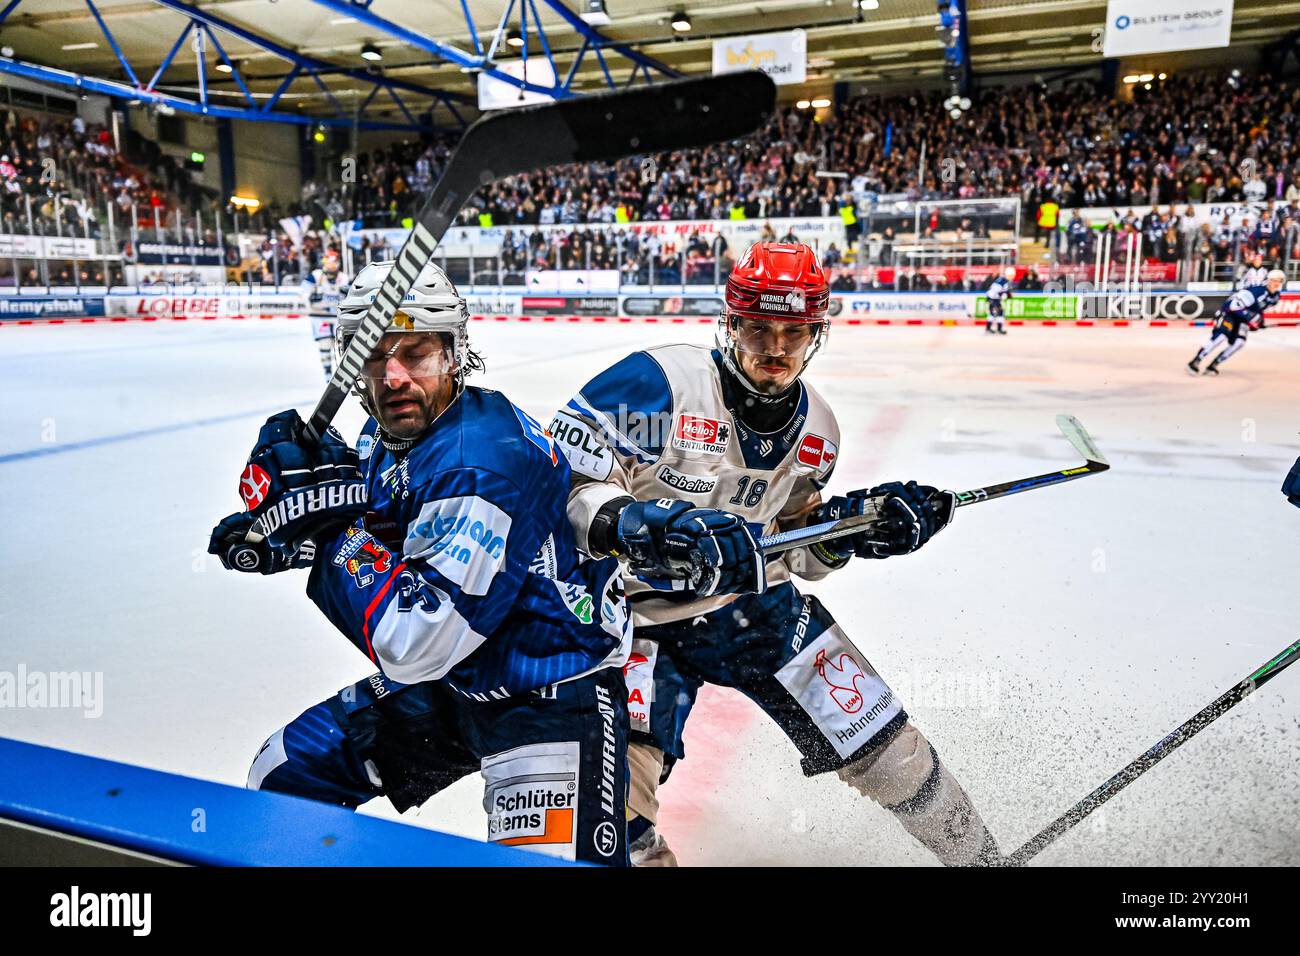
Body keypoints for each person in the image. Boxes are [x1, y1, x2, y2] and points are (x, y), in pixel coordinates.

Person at [548, 242, 1001, 867]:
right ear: (730, 323)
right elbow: (560, 485)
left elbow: (794, 542)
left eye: (794, 331)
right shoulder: (658, 385)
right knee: (612, 801)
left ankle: (983, 860)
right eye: (759, 328)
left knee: (890, 748)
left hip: (750, 607)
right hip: (627, 621)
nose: (776, 348)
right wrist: (640, 522)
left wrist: (852, 528)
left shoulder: (818, 429)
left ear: (816, 333)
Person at [208, 260, 633, 864]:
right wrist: (288, 527)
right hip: (457, 682)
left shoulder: (479, 464)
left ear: (455, 354)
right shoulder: (390, 435)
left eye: (416, 354)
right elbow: (384, 534)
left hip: (544, 691)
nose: (394, 376)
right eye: (374, 356)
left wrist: (330, 534)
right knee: (285, 778)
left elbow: (418, 640)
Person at [1187, 269, 1285, 376]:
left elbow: (1259, 310)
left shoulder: (1275, 297)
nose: (1276, 283)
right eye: (1274, 280)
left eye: (1279, 281)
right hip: (1229, 314)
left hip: (1241, 319)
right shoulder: (1256, 292)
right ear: (1268, 280)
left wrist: (1260, 321)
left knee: (1239, 343)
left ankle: (1214, 364)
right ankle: (1196, 361)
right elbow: (1233, 306)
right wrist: (1249, 316)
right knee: (1221, 337)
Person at [299, 250, 348, 380]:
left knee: (340, 345)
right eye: (329, 262)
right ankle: (327, 373)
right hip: (319, 316)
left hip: (336, 316)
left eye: (334, 263)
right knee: (325, 343)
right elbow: (303, 291)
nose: (331, 266)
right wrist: (309, 298)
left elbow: (348, 295)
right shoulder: (316, 275)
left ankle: (339, 372)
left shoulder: (343, 277)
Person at [985, 266, 1015, 335]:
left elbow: (998, 290)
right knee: (994, 314)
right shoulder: (1004, 281)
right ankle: (990, 329)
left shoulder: (1001, 279)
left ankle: (996, 329)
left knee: (998, 313)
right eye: (1012, 275)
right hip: (994, 299)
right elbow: (1001, 292)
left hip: (993, 298)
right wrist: (1009, 295)